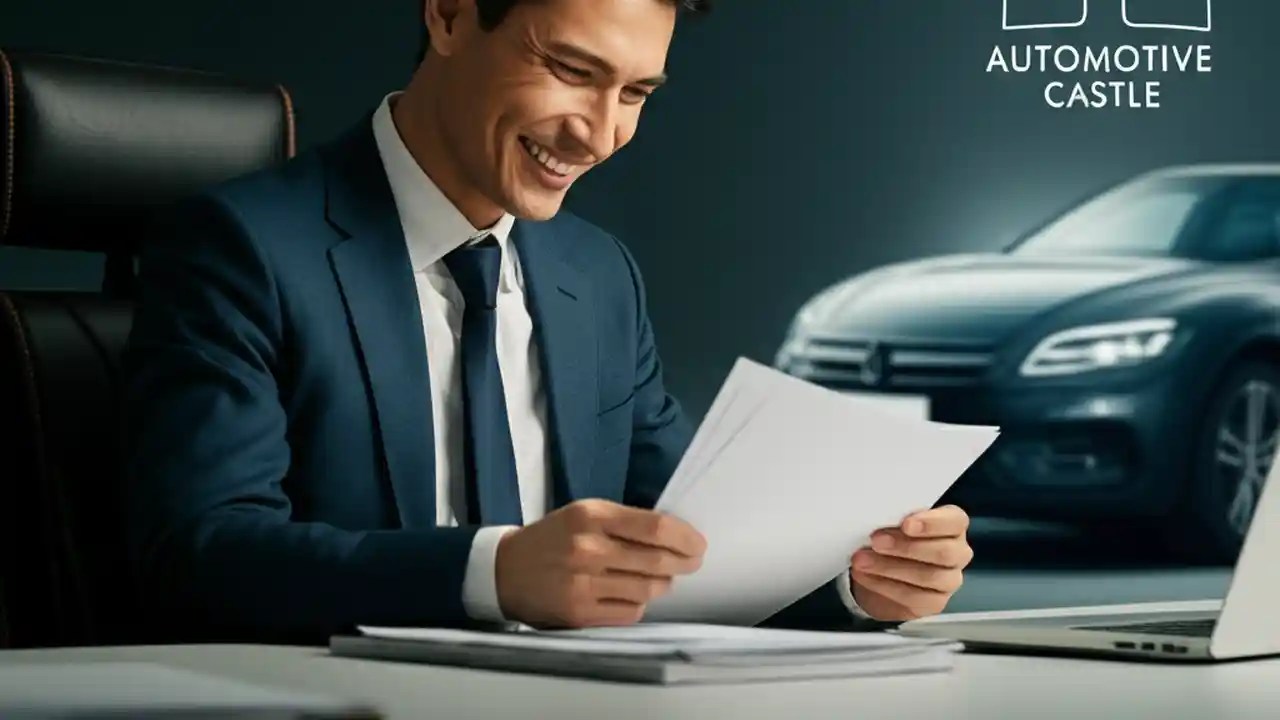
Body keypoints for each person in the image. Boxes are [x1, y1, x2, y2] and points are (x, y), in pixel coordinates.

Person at [123, 0, 974, 641]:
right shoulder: (243, 247)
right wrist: (494, 573)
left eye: (635, 92)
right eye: (570, 70)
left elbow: (690, 546)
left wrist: (861, 582)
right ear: (449, 15)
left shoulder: (597, 275)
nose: (599, 135)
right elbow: (203, 553)